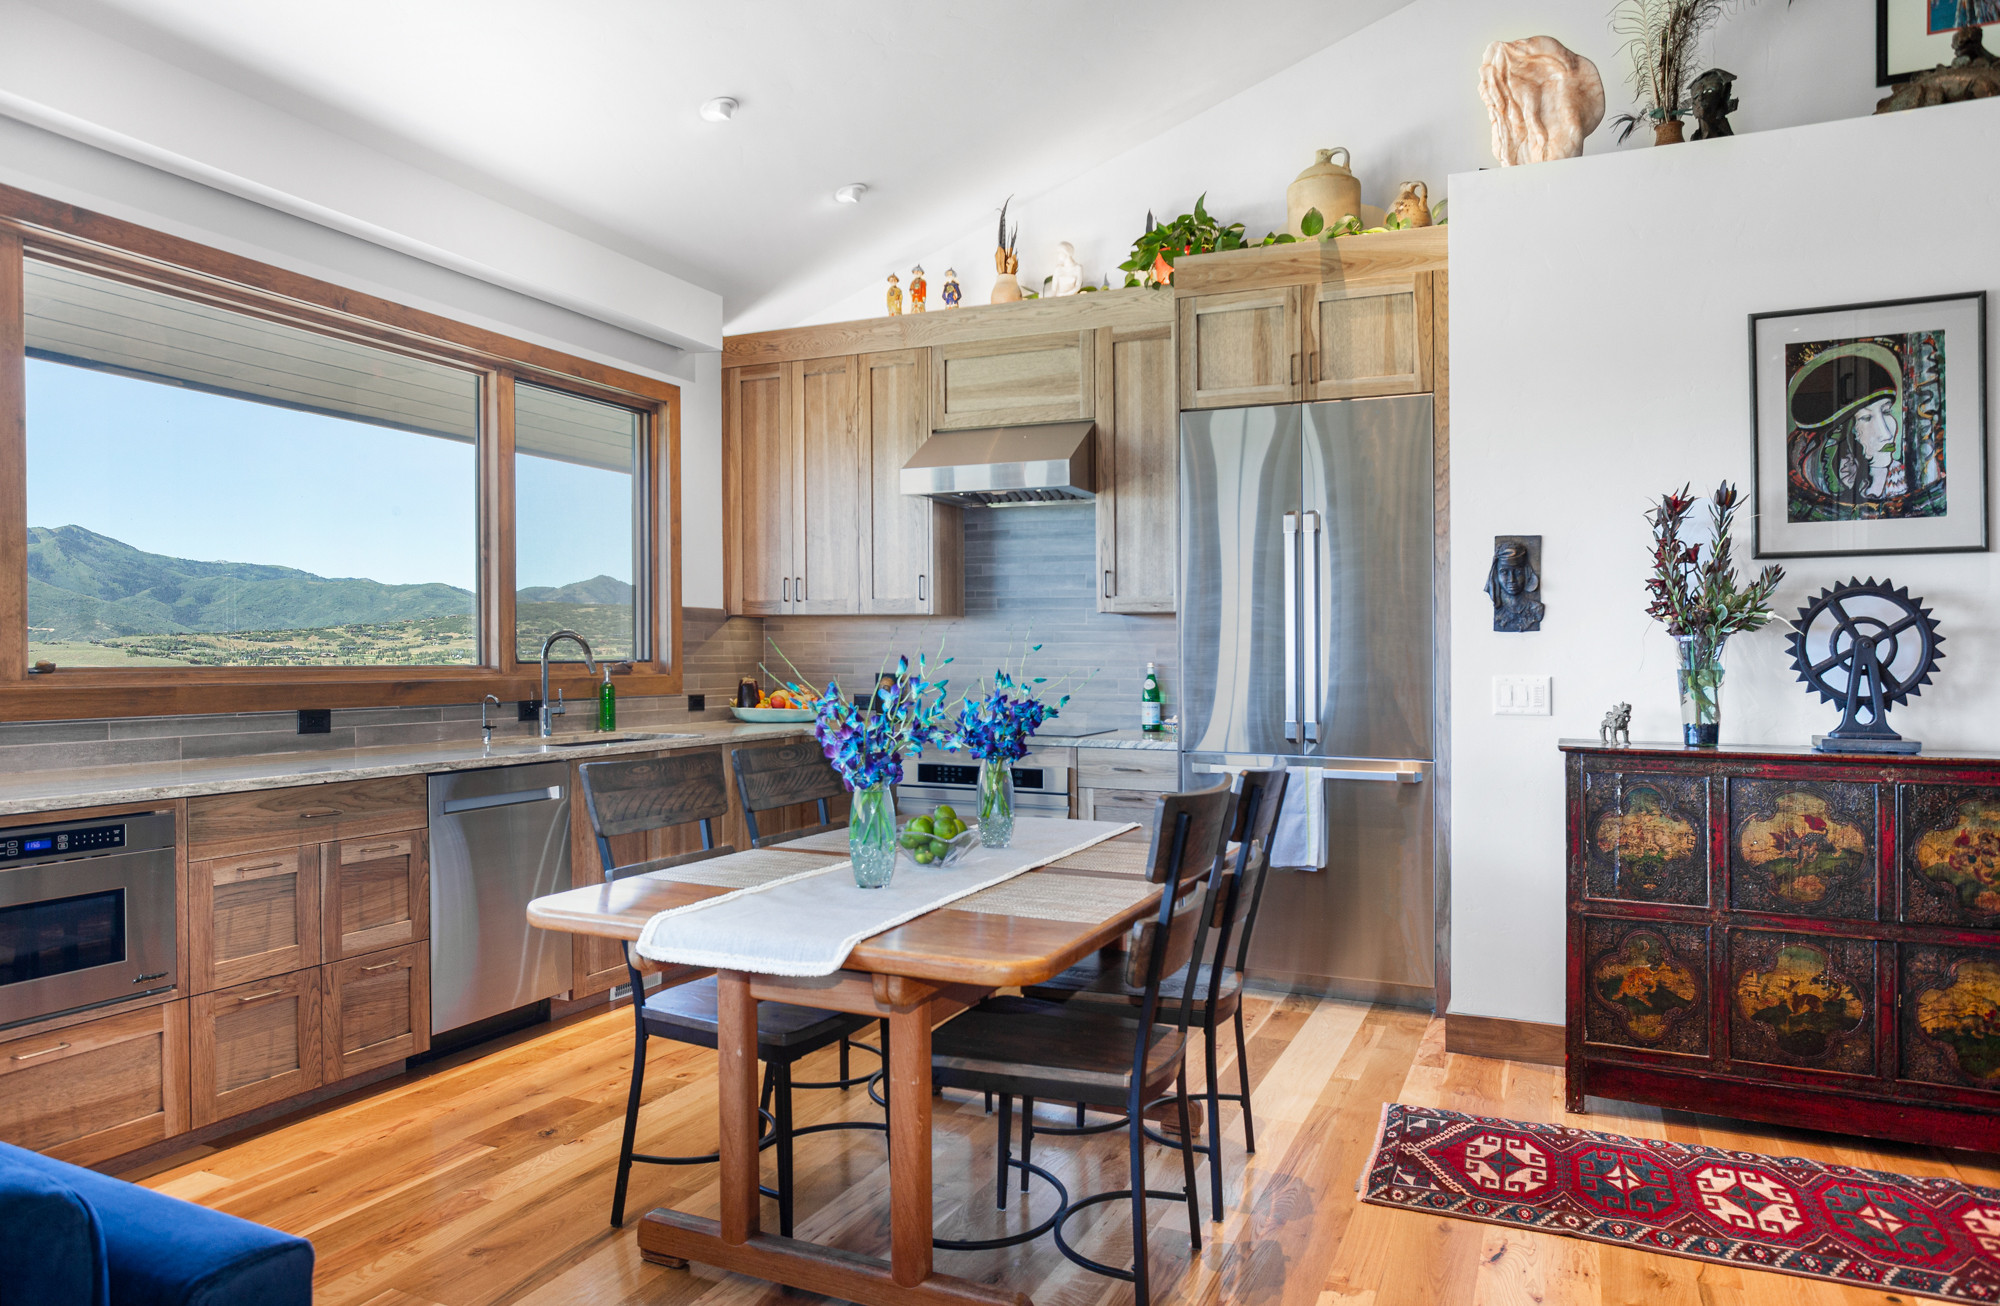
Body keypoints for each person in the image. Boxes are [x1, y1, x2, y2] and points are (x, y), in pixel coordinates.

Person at [1484, 539, 1544, 632]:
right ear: (1496, 575)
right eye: (1504, 572)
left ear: (1526, 573)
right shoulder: (1499, 615)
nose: (1512, 579)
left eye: (1518, 571)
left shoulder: (1535, 610)